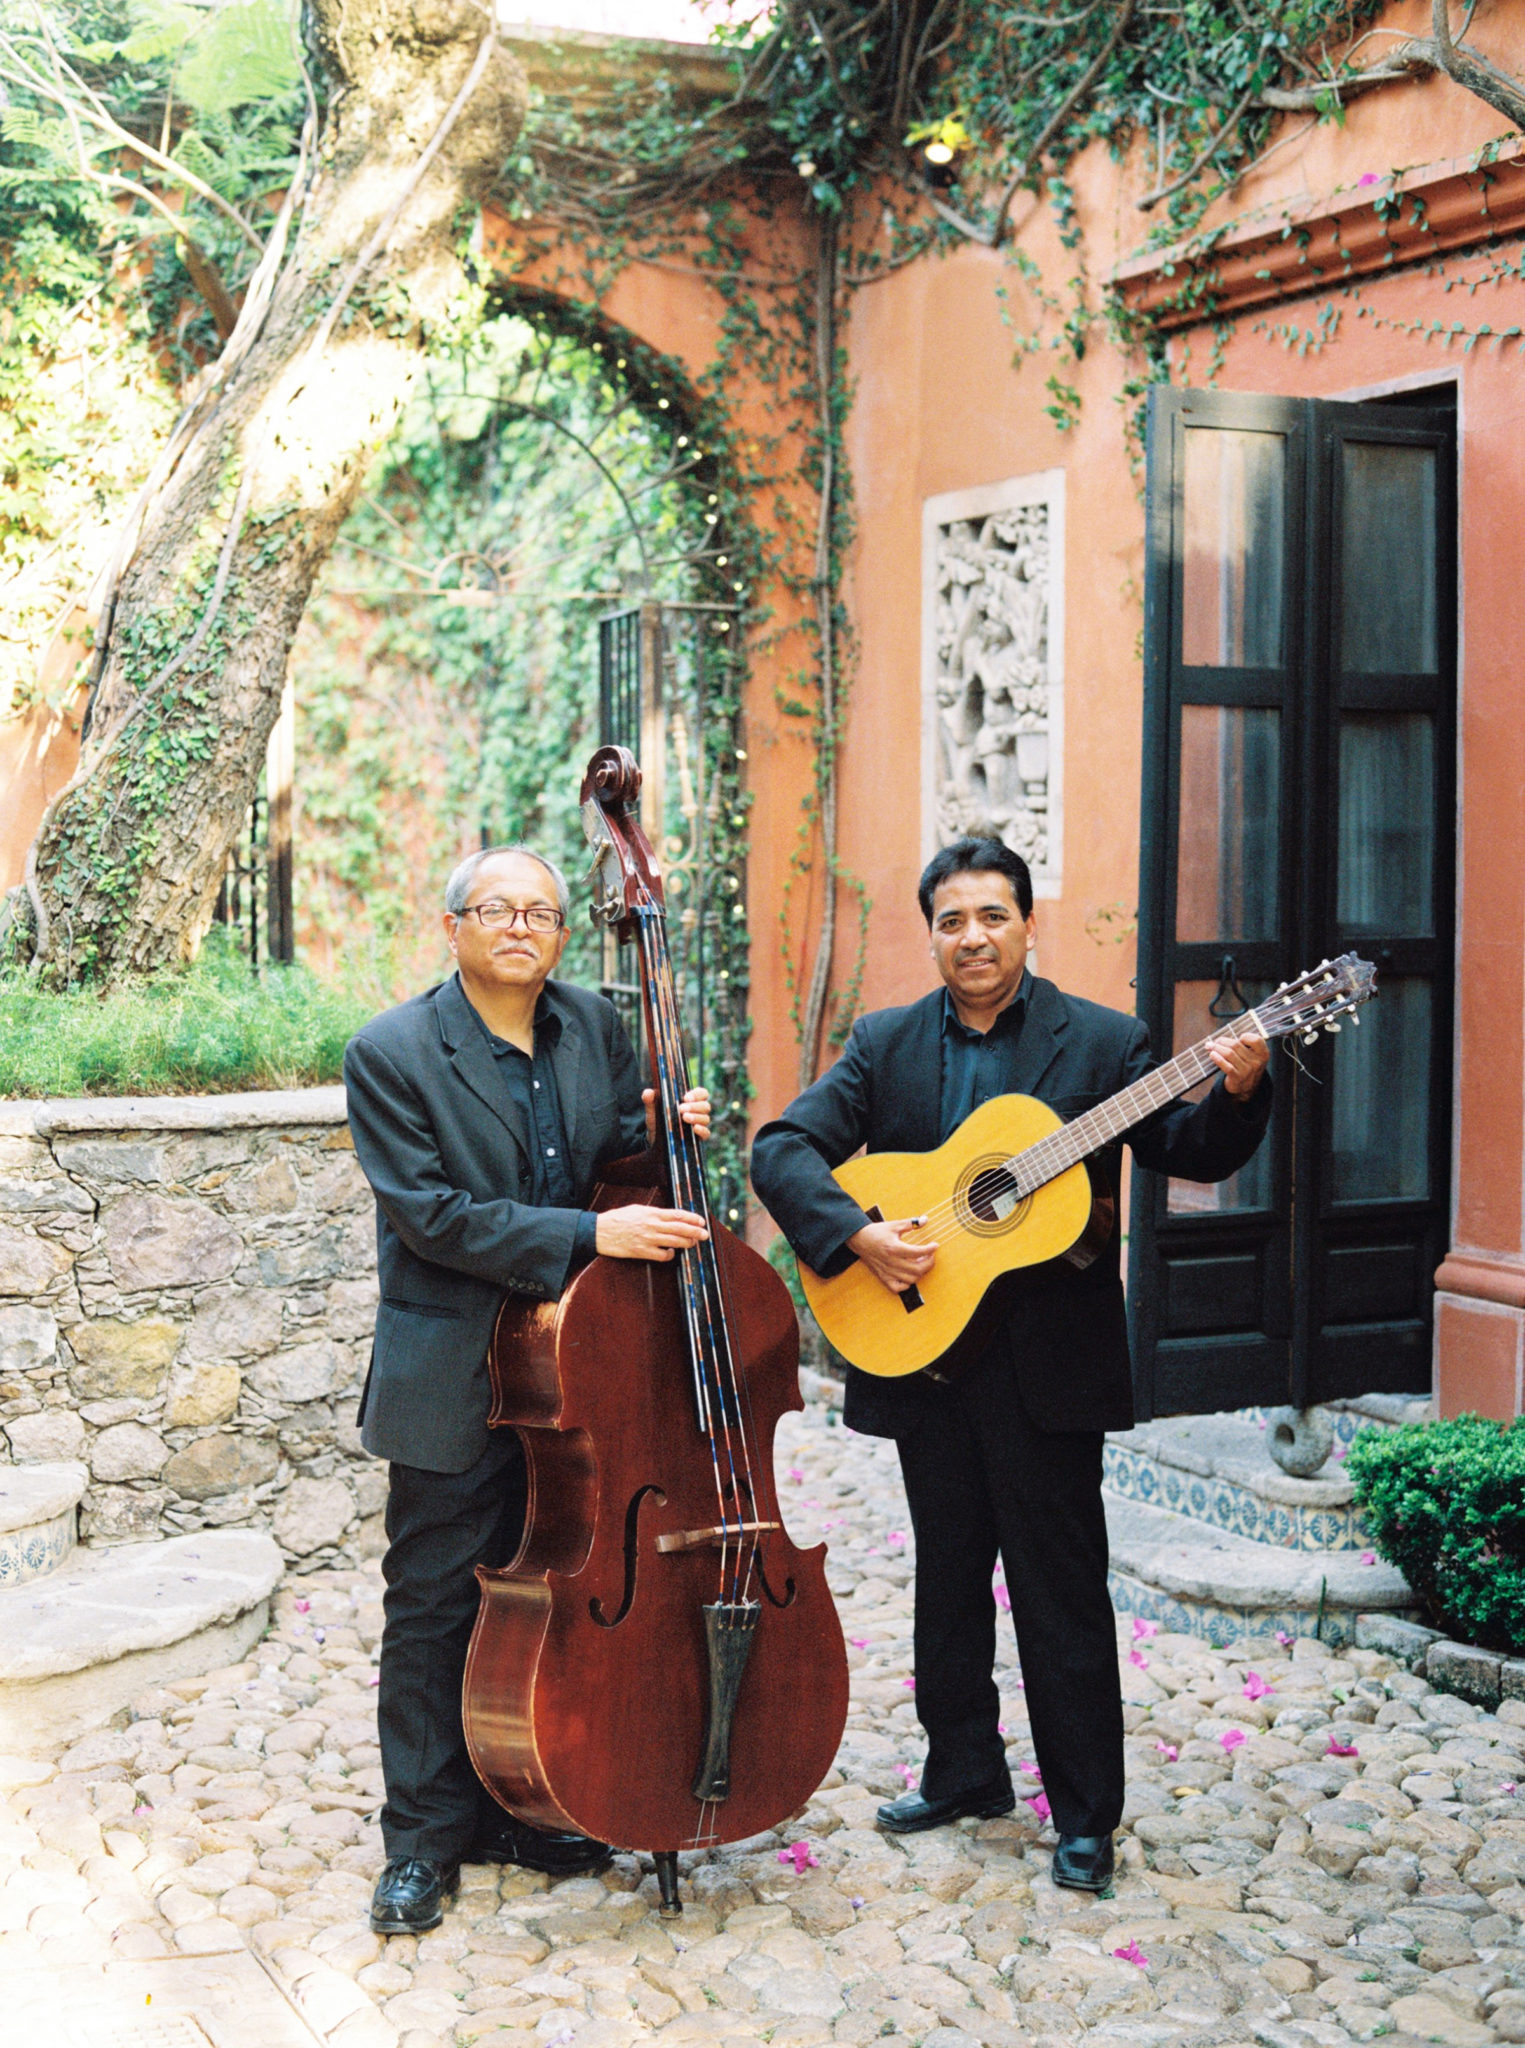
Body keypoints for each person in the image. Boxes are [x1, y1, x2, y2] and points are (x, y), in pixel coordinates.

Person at [751, 836, 1271, 1893]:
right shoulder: (886, 1044)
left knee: (1059, 1590)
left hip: (1048, 1366)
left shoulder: (1103, 1043)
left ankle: (1084, 1813)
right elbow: (779, 1146)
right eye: (951, 919)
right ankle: (963, 1769)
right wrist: (858, 1234)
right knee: (946, 1581)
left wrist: (1239, 1087)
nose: (972, 936)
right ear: (932, 931)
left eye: (991, 914)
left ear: (1027, 922)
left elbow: (1192, 1147)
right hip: (923, 1349)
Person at [344, 845, 712, 1935]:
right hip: (454, 1367)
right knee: (433, 1602)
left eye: (543, 912)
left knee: (545, 1597)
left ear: (561, 935)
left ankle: (511, 1801)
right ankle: (420, 1839)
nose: (521, 926)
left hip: (575, 1371)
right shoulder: (392, 1051)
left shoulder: (596, 1026)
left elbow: (610, 1155)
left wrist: (664, 1138)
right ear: (451, 926)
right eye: (497, 908)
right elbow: (434, 1215)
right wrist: (595, 1232)